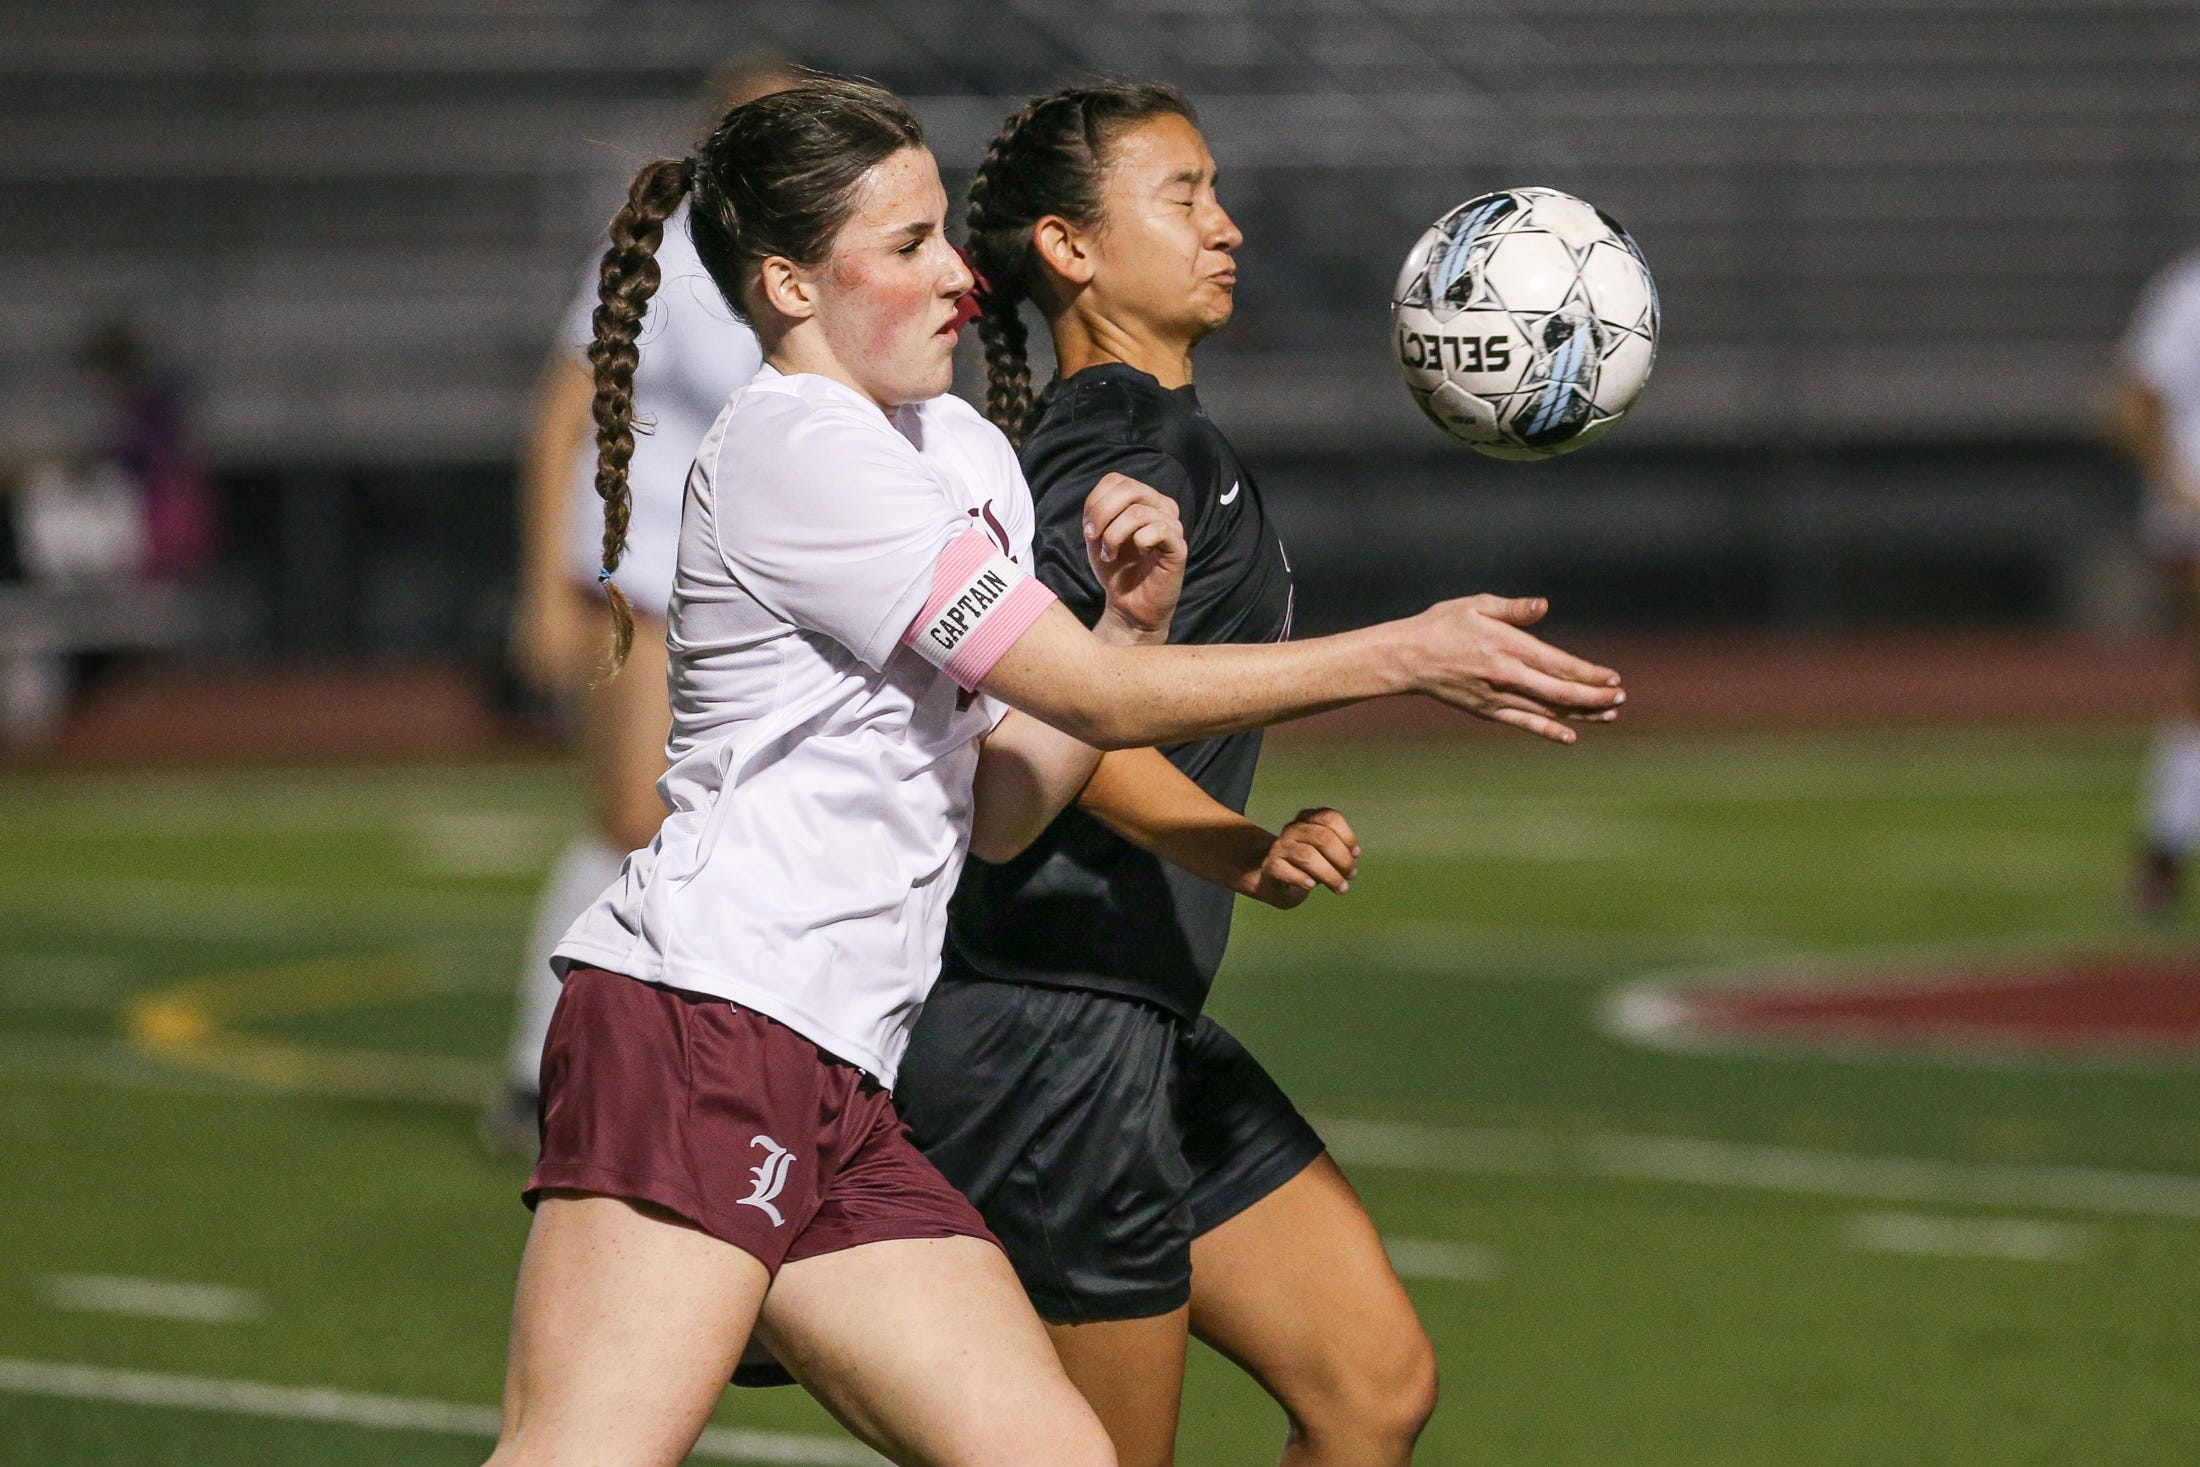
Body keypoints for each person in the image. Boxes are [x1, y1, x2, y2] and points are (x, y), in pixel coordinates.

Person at [490, 75, 1623, 1467]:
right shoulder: (797, 447)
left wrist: (1132, 619)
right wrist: (1403, 652)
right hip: (707, 1030)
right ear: (789, 281)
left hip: (847, 1064)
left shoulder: (958, 449)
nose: (959, 273)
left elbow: (1014, 802)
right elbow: (1086, 692)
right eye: (904, 246)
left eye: (938, 234)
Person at [893, 82, 1433, 1467]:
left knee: (1370, 1385)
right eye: (1183, 196)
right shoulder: (1115, 449)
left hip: (1132, 1012)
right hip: (1044, 1028)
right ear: (1072, 250)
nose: (1227, 225)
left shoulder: (1155, 435)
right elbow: (1039, 724)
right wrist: (1233, 843)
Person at [485, 58, 797, 1154]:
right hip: (649, 581)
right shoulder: (666, 256)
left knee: (737, 833)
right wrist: (545, 586)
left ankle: (687, 1074)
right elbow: (561, 415)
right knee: (631, 820)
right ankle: (544, 1069)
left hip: (765, 597)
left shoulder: (815, 260)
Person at [2117, 247, 2200, 917]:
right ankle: (2163, 850)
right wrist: (2179, 487)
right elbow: (2134, 404)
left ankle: (2164, 850)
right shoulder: (2189, 292)